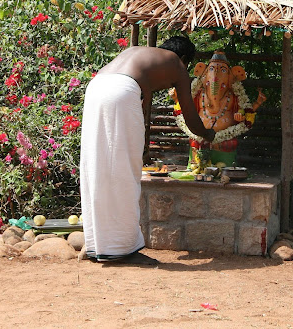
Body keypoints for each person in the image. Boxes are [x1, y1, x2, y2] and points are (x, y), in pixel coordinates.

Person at [79, 36, 215, 264]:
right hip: (121, 91)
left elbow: (143, 105)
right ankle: (124, 248)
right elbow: (190, 115)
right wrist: (207, 133)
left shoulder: (141, 56)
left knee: (98, 166)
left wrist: (141, 144)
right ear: (184, 59)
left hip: (95, 88)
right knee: (123, 172)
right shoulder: (176, 63)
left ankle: (97, 245)